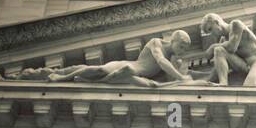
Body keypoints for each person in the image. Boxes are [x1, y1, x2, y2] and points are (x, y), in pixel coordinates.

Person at [16, 31, 197, 87]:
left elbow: (165, 83)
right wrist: (181, 78)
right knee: (99, 70)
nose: (182, 51)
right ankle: (60, 78)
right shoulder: (156, 42)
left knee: (108, 78)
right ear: (174, 40)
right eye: (181, 46)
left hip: (132, 76)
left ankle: (83, 80)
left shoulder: (174, 58)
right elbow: (161, 62)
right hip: (128, 66)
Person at [200, 13, 256, 87]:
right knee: (218, 50)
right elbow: (218, 67)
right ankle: (223, 83)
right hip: (246, 66)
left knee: (249, 85)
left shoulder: (235, 25)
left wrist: (213, 47)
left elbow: (232, 47)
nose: (212, 34)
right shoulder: (223, 40)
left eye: (210, 29)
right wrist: (206, 81)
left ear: (216, 22)